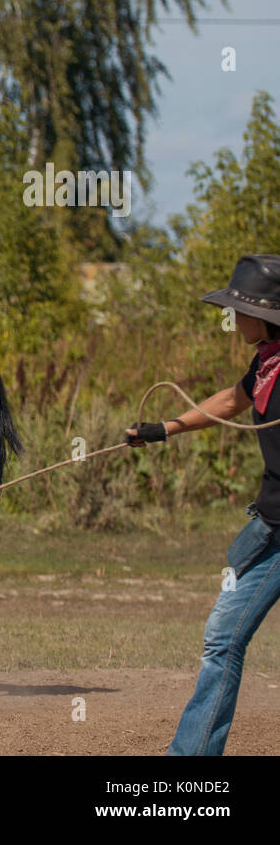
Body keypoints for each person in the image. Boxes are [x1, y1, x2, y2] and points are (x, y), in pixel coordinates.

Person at [125, 254, 280, 755]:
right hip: (272, 532)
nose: (231, 317)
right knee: (222, 637)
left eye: (239, 307)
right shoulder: (265, 362)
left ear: (268, 312)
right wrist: (165, 429)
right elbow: (232, 400)